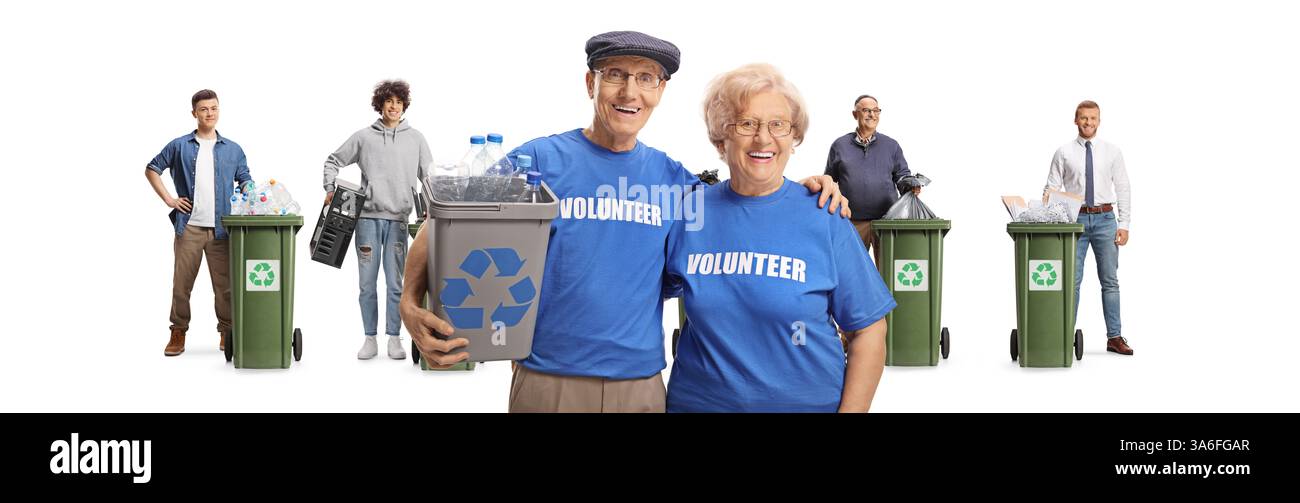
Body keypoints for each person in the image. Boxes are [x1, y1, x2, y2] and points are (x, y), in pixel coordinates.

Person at [400, 31, 850, 412]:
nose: (629, 92)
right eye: (615, 75)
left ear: (660, 91)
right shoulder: (538, 161)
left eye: (645, 78)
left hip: (640, 387)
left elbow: (749, 205)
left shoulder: (678, 185)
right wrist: (408, 301)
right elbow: (447, 218)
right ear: (590, 83)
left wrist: (807, 190)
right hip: (547, 379)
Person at [664, 63, 893, 412]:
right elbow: (634, 292)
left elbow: (869, 330)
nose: (763, 138)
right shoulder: (689, 212)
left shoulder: (823, 214)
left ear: (793, 136)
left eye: (778, 125)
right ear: (720, 138)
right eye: (746, 123)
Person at [323, 80, 431, 360]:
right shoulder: (364, 137)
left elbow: (428, 177)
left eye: (399, 102)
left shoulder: (416, 138)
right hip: (367, 220)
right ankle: (369, 338)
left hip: (398, 220)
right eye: (389, 101)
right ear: (380, 104)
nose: (394, 107)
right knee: (367, 283)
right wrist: (330, 188)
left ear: (404, 105)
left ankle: (394, 338)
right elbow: (333, 160)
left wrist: (431, 207)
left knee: (396, 284)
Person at [145, 89, 254, 356]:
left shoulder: (233, 149)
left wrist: (254, 194)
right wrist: (170, 200)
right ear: (194, 113)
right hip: (189, 227)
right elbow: (152, 168)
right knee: (182, 284)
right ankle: (178, 331)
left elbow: (246, 179)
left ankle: (227, 333)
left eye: (214, 108)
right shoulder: (179, 145)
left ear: (219, 110)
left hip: (222, 230)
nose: (209, 113)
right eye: (204, 109)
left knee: (226, 286)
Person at [1044, 100, 1133, 355]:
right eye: (1084, 118)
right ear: (1076, 120)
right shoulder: (1063, 152)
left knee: (1110, 281)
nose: (1088, 123)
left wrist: (1124, 224)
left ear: (1099, 121)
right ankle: (1064, 336)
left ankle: (1114, 337)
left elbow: (1123, 187)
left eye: (1093, 118)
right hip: (1076, 222)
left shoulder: (1112, 152)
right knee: (1071, 281)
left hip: (1106, 219)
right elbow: (1051, 188)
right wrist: (1050, 219)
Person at [823, 94, 917, 263]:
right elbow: (829, 181)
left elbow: (902, 175)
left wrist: (910, 186)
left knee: (888, 272)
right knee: (853, 271)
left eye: (876, 111)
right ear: (855, 114)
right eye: (866, 110)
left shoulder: (891, 146)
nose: (872, 115)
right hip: (852, 222)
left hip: (886, 223)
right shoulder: (840, 145)